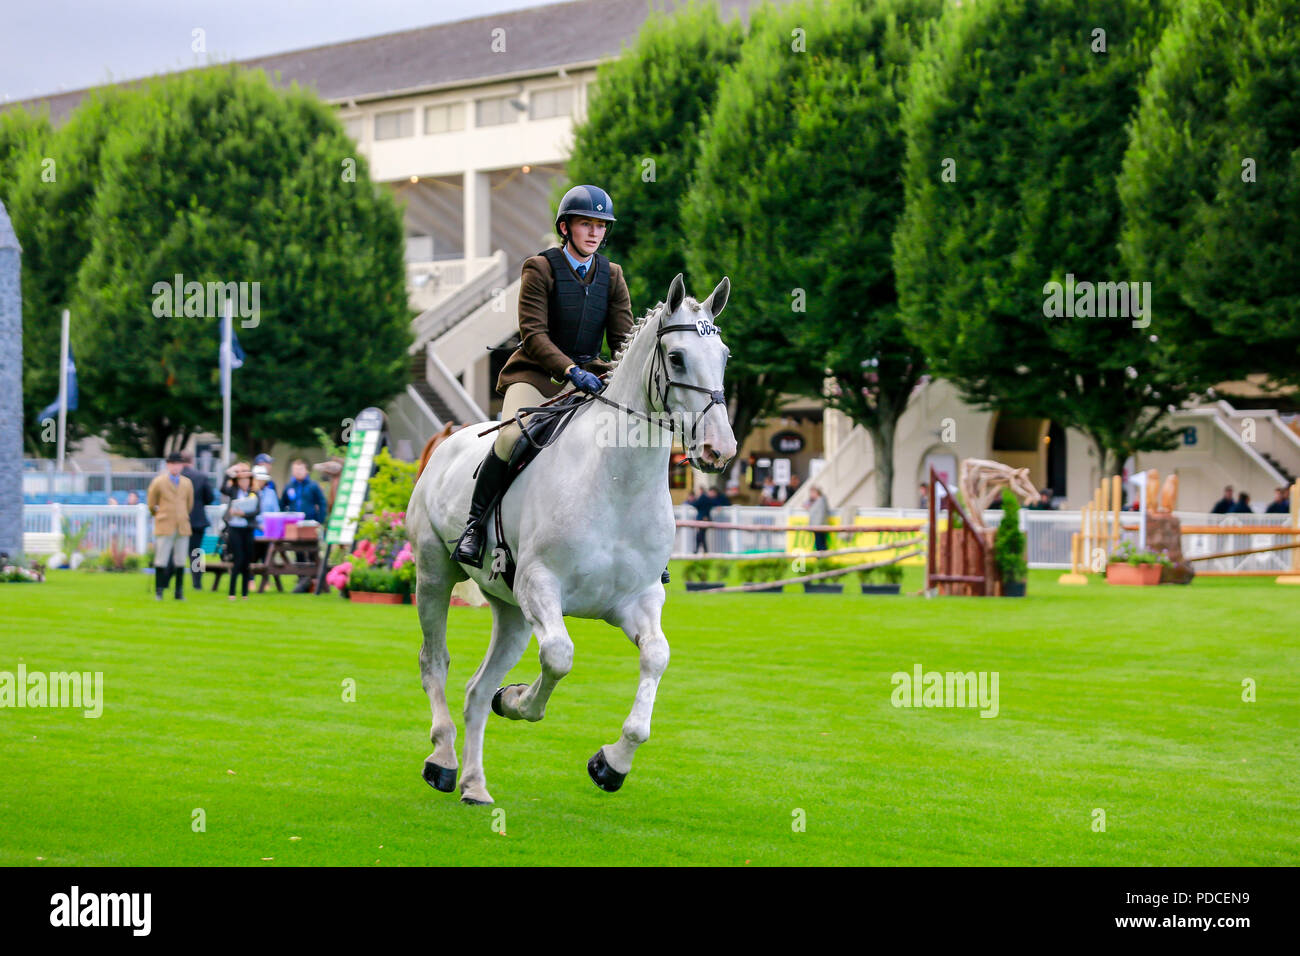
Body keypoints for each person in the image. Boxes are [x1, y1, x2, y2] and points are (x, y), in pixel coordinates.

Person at [453, 183, 634, 572]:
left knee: (627, 437)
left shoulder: (613, 275)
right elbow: (533, 335)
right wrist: (570, 371)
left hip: (590, 374)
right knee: (511, 437)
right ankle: (474, 526)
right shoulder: (540, 267)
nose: (595, 233)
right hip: (537, 373)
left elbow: (622, 340)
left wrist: (618, 375)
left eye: (601, 226)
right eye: (586, 224)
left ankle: (636, 539)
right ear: (566, 227)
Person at [146, 453, 194, 601]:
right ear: (168, 465)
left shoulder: (186, 483)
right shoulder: (159, 482)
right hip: (165, 524)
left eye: (178, 464)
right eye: (173, 464)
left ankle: (178, 592)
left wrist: (181, 515)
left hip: (182, 525)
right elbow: (151, 503)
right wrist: (160, 515)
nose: (175, 467)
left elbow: (189, 504)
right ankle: (159, 591)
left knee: (180, 560)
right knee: (161, 559)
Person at [222, 463, 259, 600]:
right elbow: (222, 488)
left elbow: (256, 510)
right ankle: (232, 592)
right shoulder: (233, 491)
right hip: (234, 529)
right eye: (241, 479)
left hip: (247, 529)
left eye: (246, 479)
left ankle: (244, 593)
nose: (244, 482)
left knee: (246, 561)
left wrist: (243, 513)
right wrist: (228, 472)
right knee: (238, 559)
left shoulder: (253, 493)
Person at [181, 451, 216, 590]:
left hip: (180, 519)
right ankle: (197, 582)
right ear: (192, 461)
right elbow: (210, 497)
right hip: (197, 520)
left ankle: (168, 579)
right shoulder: (201, 477)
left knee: (176, 551)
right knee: (196, 553)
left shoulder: (177, 477)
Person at [687, 484, 731, 553]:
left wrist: (690, 502)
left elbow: (696, 504)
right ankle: (703, 550)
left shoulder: (703, 498)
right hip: (704, 519)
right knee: (701, 536)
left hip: (702, 519)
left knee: (700, 536)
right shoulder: (706, 498)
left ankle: (699, 550)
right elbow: (713, 503)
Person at [280, 458, 327, 522]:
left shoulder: (313, 486)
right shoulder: (289, 486)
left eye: (300, 469)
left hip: (309, 522)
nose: (298, 472)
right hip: (292, 522)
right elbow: (282, 504)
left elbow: (322, 503)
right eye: (295, 469)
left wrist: (320, 520)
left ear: (306, 470)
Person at [252, 465, 280, 530]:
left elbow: (276, 511)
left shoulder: (271, 493)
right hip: (253, 529)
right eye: (258, 479)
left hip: (269, 528)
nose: (260, 482)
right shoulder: (249, 493)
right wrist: (258, 525)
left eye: (262, 479)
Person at [807, 485, 831, 552]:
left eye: (812, 492)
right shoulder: (817, 501)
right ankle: (822, 559)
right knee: (819, 544)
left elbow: (821, 515)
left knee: (821, 544)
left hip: (820, 527)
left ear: (816, 492)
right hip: (817, 526)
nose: (811, 494)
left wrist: (818, 526)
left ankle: (823, 559)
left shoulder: (821, 501)